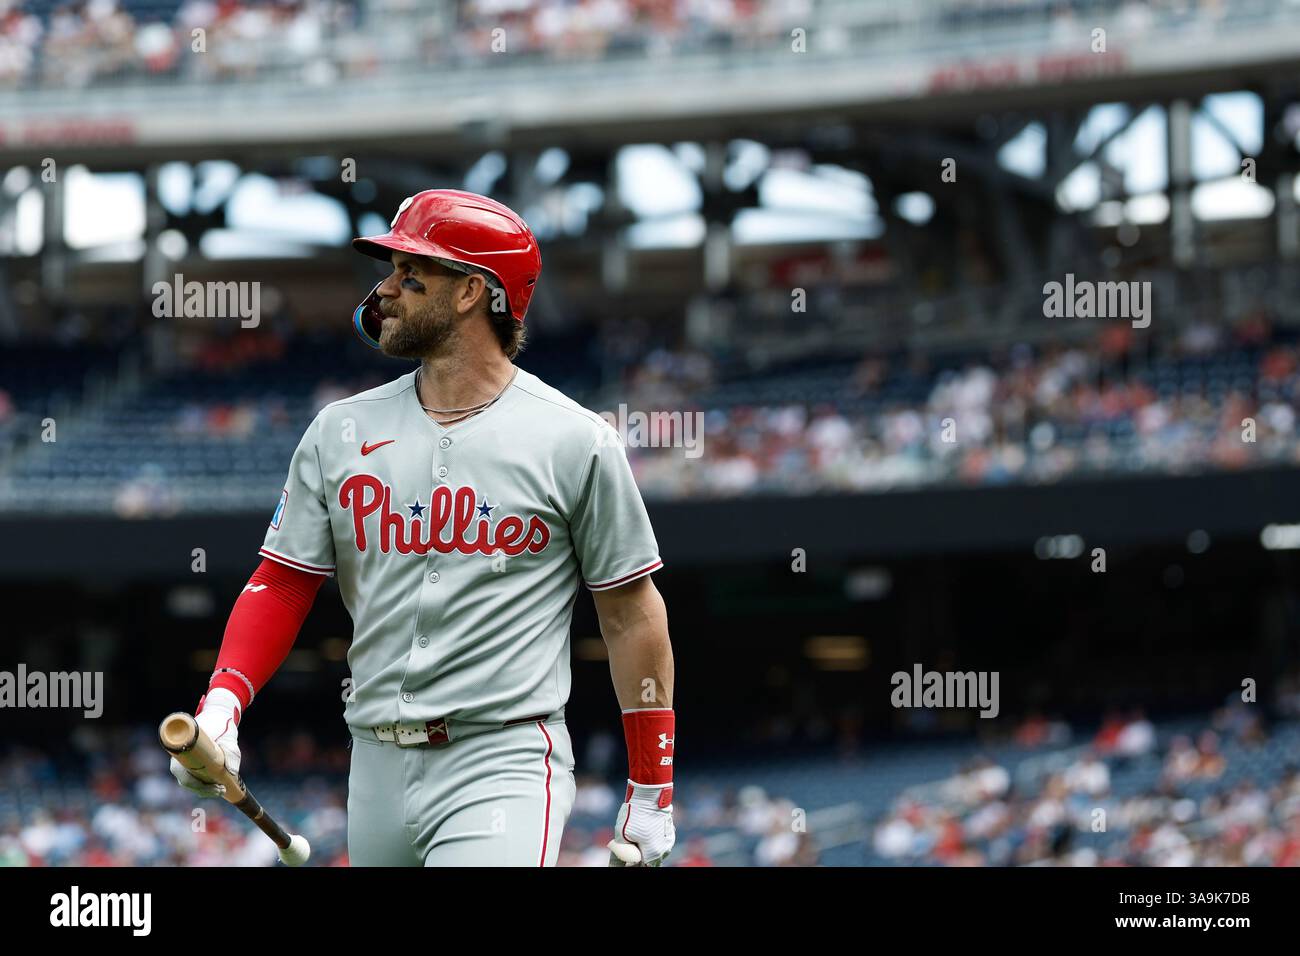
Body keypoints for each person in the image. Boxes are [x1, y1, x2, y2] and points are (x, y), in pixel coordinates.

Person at [170, 189, 676, 867]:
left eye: (410, 275)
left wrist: (652, 788)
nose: (386, 291)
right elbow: (284, 583)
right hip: (373, 762)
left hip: (501, 759)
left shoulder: (576, 439)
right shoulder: (339, 430)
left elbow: (631, 616)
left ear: (472, 292)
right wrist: (223, 706)